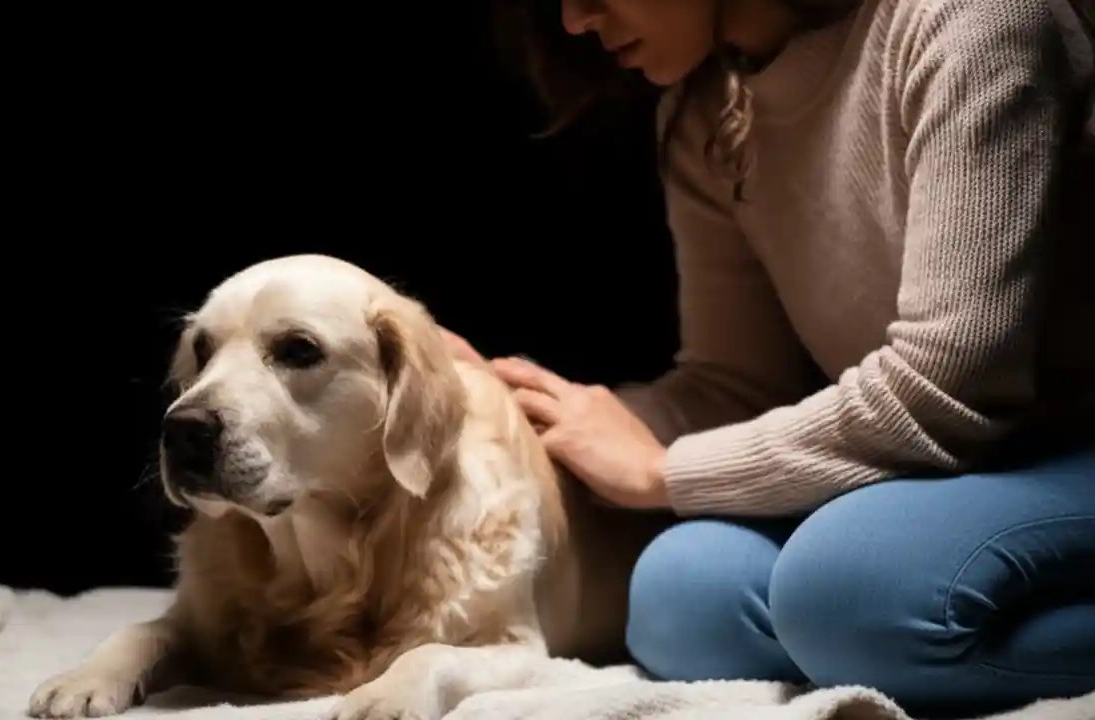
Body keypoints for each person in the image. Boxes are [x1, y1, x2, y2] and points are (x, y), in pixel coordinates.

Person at [442, 0, 1095, 716]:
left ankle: (867, 624)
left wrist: (664, 474)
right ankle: (872, 628)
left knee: (849, 588)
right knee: (680, 596)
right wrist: (504, 410)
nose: (572, 18)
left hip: (1062, 443)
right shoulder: (708, 110)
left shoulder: (971, 22)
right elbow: (736, 388)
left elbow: (949, 393)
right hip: (938, 473)